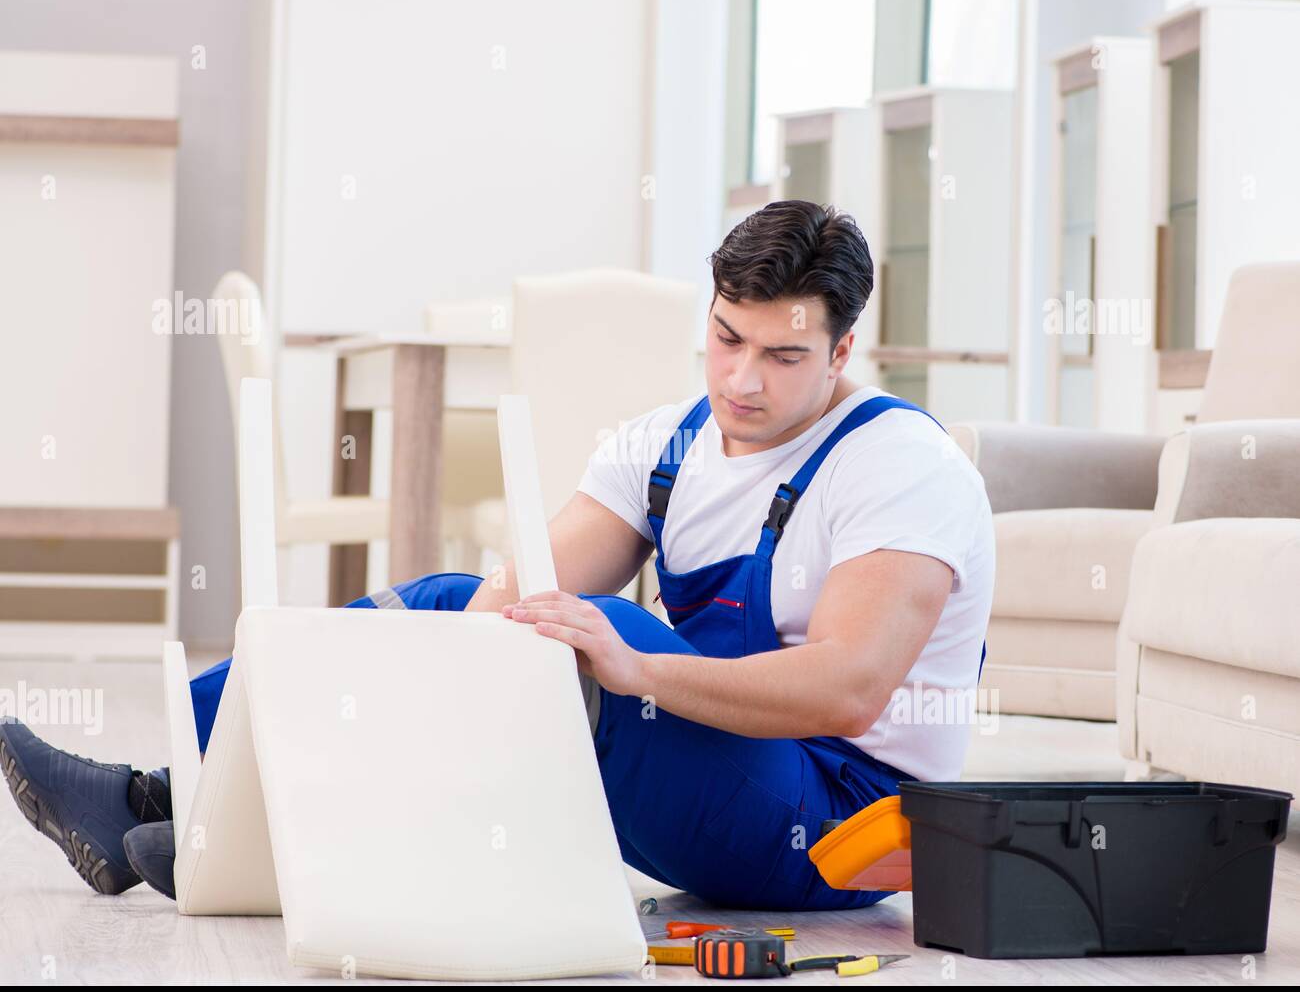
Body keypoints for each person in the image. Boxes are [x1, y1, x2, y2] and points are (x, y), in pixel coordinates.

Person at [1, 200, 994, 912]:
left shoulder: (901, 466)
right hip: (715, 781)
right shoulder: (666, 441)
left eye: (781, 356)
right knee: (462, 596)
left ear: (842, 349)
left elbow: (849, 689)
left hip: (837, 828)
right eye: (726, 337)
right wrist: (449, 650)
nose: (741, 379)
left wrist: (634, 664)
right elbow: (519, 591)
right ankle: (169, 795)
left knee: (601, 628)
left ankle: (265, 823)